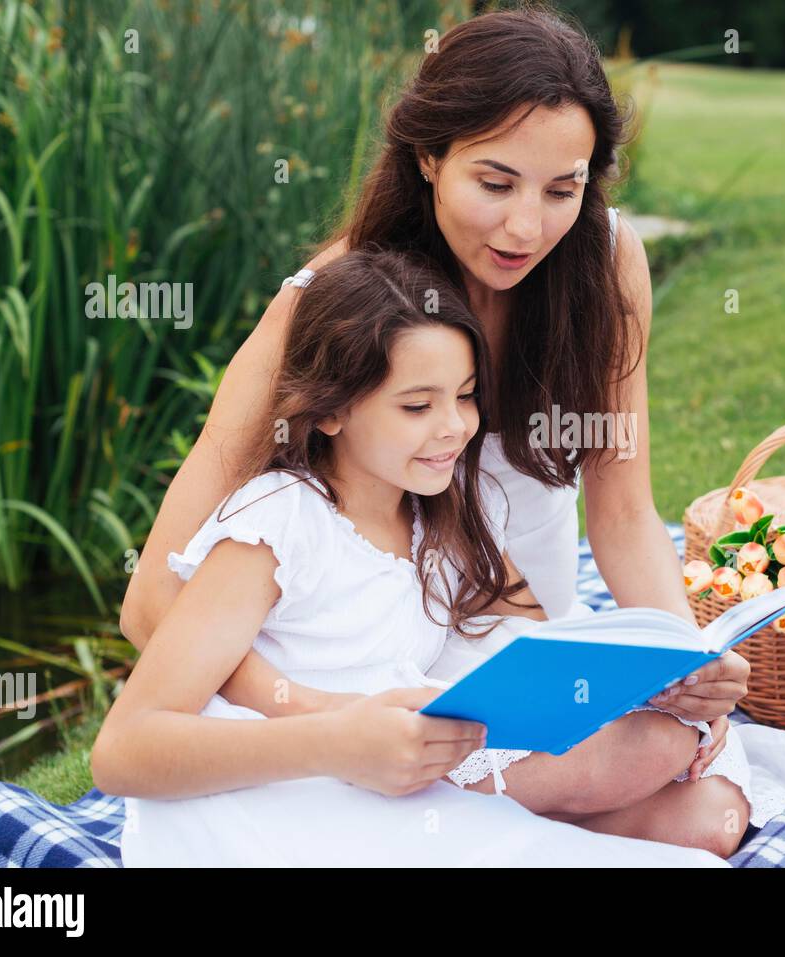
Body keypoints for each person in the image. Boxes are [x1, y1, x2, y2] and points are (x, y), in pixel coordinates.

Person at [119, 6, 762, 832]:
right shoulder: (336, 307)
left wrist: (682, 663)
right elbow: (150, 602)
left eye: (563, 189)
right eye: (494, 182)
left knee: (709, 807)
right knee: (656, 804)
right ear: (427, 156)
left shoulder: (604, 264)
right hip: (366, 674)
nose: (526, 226)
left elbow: (627, 511)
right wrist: (318, 719)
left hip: (519, 642)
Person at [95, 247, 733, 865]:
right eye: (417, 405)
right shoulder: (280, 523)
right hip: (278, 780)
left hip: (398, 756)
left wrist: (661, 679)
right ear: (332, 410)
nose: (455, 426)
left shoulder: (438, 507)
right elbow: (121, 751)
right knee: (649, 767)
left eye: (466, 394)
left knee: (700, 807)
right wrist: (331, 743)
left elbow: (529, 634)